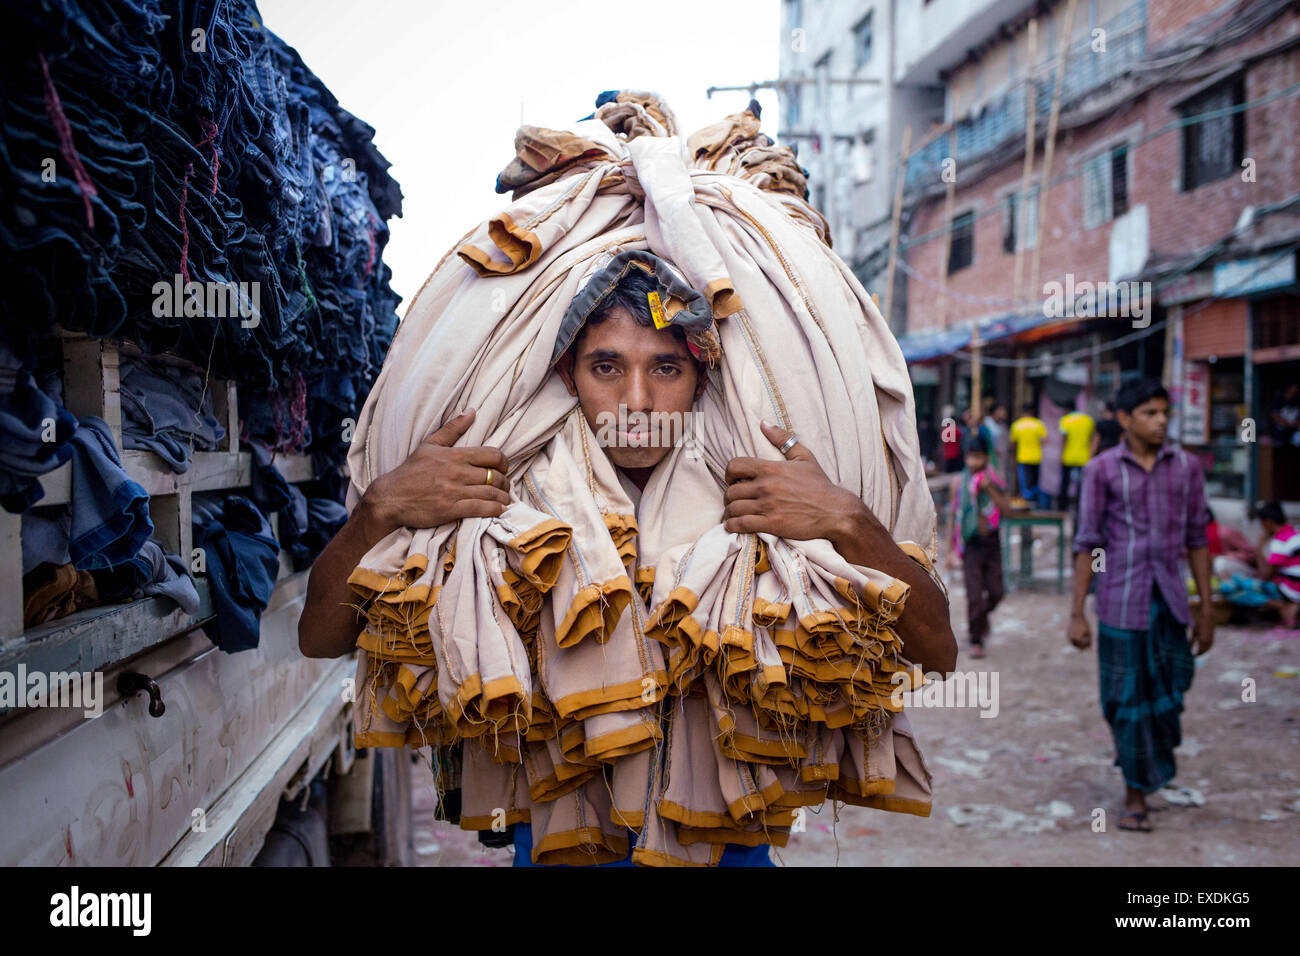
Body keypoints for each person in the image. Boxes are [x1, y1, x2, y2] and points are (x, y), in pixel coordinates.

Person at [298, 266, 958, 864]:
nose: (636, 401)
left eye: (666, 369)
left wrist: (849, 520)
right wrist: (380, 508)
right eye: (607, 368)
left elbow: (938, 648)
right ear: (567, 376)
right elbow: (319, 636)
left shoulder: (766, 497)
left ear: (701, 378)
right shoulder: (505, 502)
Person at [1069, 378, 1213, 833]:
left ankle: (1151, 769)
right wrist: (1076, 611)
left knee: (1169, 696)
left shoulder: (1187, 468)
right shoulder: (1101, 470)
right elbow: (1089, 542)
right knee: (1124, 700)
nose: (1161, 421)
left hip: (1170, 603)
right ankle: (1135, 795)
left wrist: (1206, 609)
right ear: (1125, 419)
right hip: (1120, 602)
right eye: (1150, 413)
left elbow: (1197, 539)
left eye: (1164, 412)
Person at [948, 434, 1012, 659]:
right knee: (974, 596)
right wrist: (949, 551)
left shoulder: (995, 478)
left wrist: (990, 490)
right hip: (971, 545)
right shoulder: (959, 483)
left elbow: (1008, 510)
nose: (973, 462)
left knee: (997, 592)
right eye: (970, 457)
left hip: (991, 544)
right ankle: (976, 639)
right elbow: (954, 517)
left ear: (986, 457)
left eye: (978, 457)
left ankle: (981, 620)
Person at [1255, 501, 1300, 628]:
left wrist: (1259, 548)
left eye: (1262, 523)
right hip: (1295, 586)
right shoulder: (1296, 533)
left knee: (1231, 588)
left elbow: (1266, 575)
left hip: (1292, 590)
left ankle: (1284, 607)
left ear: (1268, 522)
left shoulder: (1280, 541)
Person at [1009, 402, 1048, 508]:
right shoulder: (1039, 424)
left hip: (1023, 457)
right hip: (1036, 457)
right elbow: (1045, 441)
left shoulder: (1017, 425)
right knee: (1035, 482)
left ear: (1022, 412)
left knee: (1025, 483)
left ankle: (1026, 504)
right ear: (1032, 412)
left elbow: (1013, 444)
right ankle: (1036, 504)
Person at [1058, 407, 1095, 511]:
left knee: (1064, 484)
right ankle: (1079, 507)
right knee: (1082, 485)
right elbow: (1092, 439)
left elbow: (1064, 439)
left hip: (1068, 456)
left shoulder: (1065, 420)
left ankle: (1062, 508)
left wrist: (1061, 455)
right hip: (1084, 457)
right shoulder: (1088, 420)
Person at [1206, 506, 1256, 580]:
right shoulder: (1198, 535)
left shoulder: (1224, 532)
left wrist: (1226, 556)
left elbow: (1251, 553)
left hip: (1244, 569)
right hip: (1219, 568)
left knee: (1220, 562)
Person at [940, 404, 964, 474]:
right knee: (954, 472)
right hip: (955, 452)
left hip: (947, 453)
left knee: (948, 471)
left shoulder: (945, 429)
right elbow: (960, 436)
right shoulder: (956, 429)